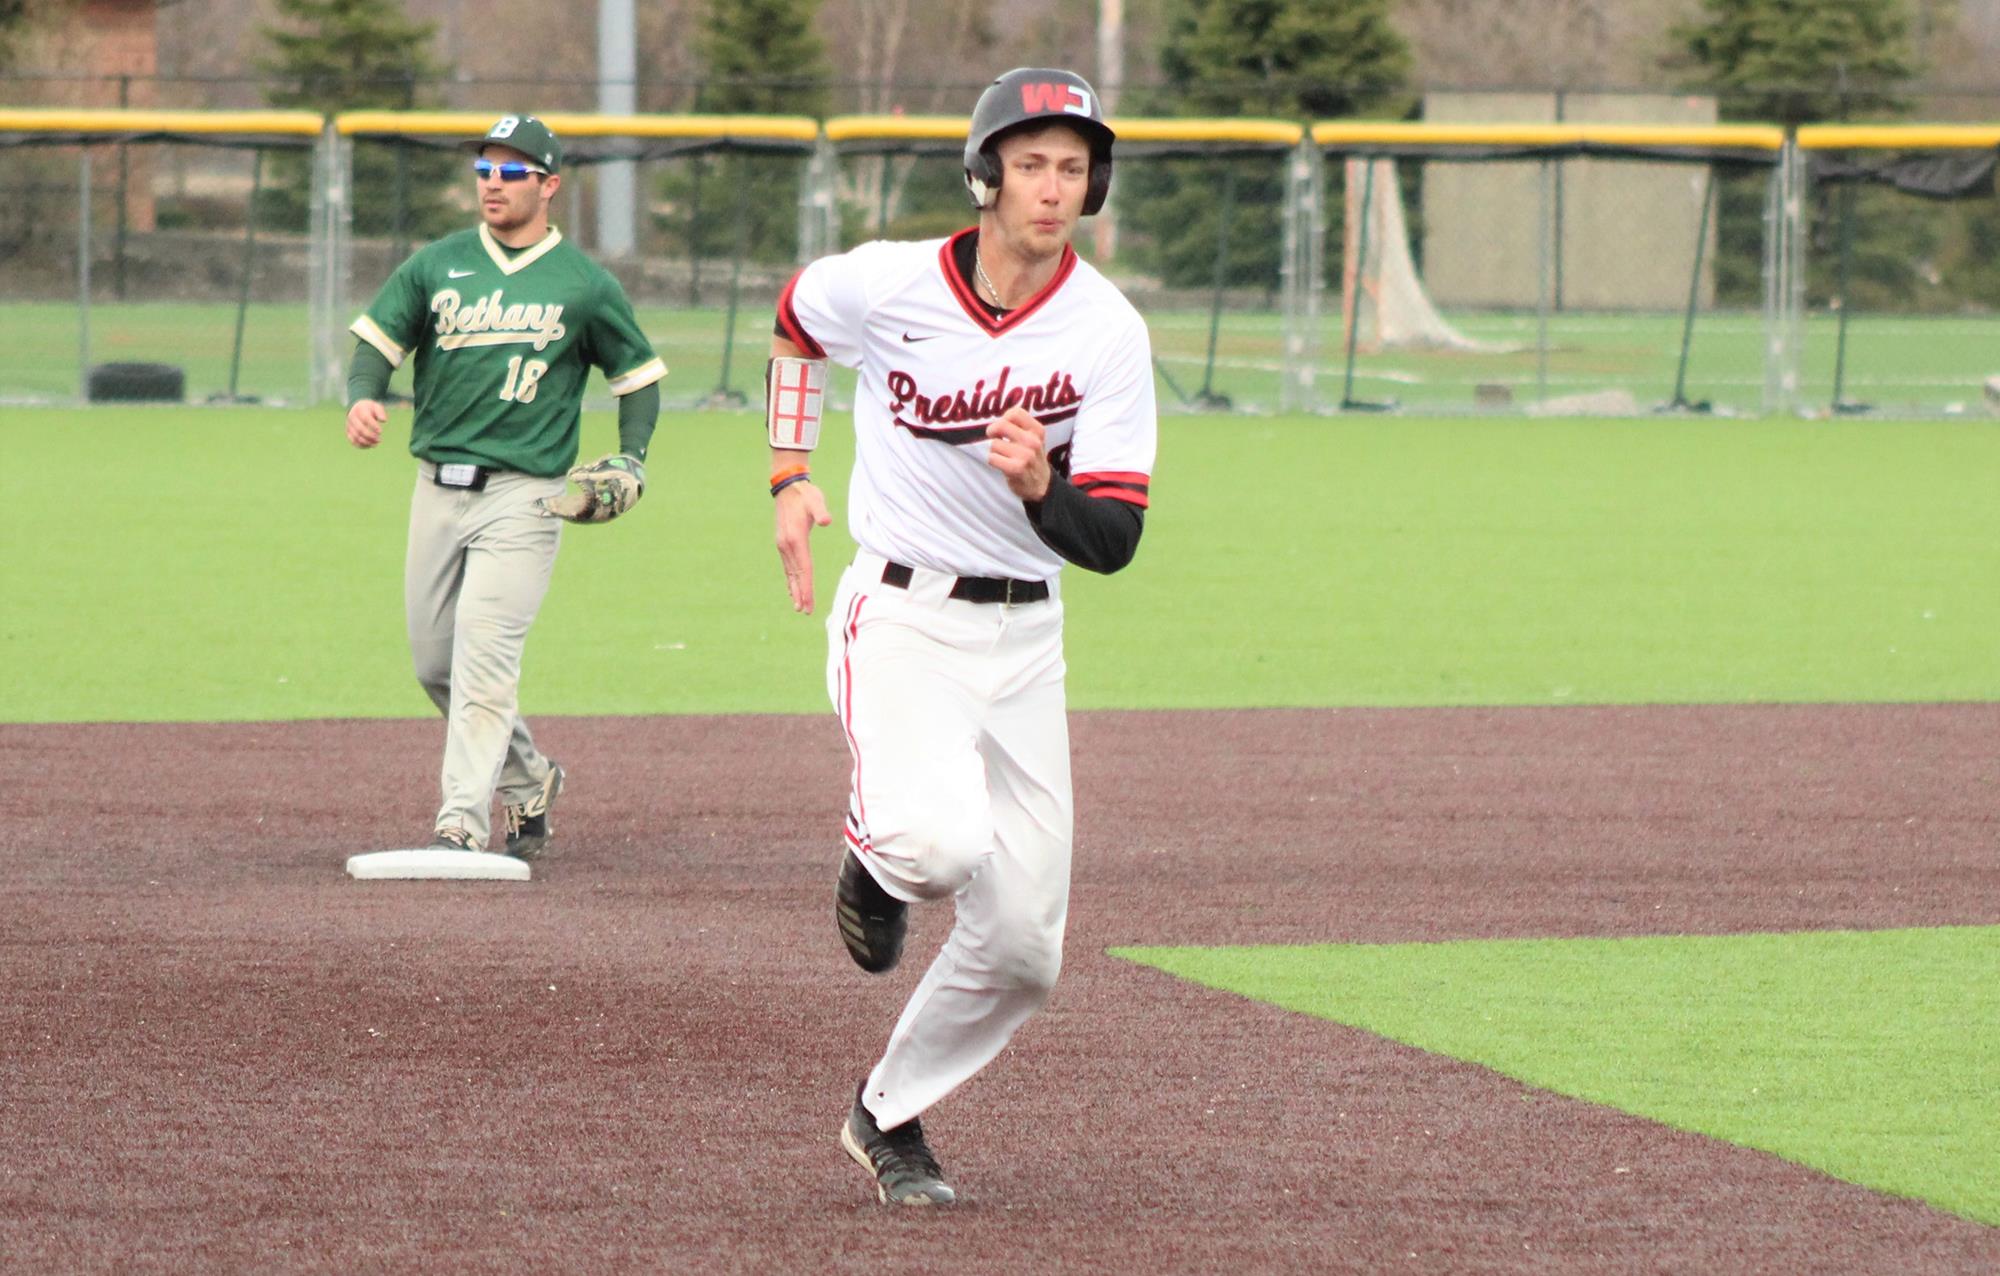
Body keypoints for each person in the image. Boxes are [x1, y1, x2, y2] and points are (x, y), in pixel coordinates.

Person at [766, 68, 1157, 1205]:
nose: (1050, 187)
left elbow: (1115, 535)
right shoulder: (889, 283)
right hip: (899, 607)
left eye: (1072, 167)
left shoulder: (1106, 331)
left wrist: (1043, 489)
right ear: (985, 173)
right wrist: (788, 474)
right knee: (932, 846)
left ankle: (885, 1113)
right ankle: (873, 852)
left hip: (1027, 635)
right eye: (1030, 162)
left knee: (1028, 947)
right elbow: (794, 324)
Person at [344, 114, 665, 858]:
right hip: (436, 487)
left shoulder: (583, 284)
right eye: (485, 169)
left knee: (484, 658)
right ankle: (528, 780)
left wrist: (634, 455)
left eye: (512, 171)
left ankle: (460, 819)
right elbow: (377, 340)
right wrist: (364, 395)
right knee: (434, 663)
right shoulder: (438, 264)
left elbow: (638, 379)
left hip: (527, 496)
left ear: (549, 185)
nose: (493, 182)